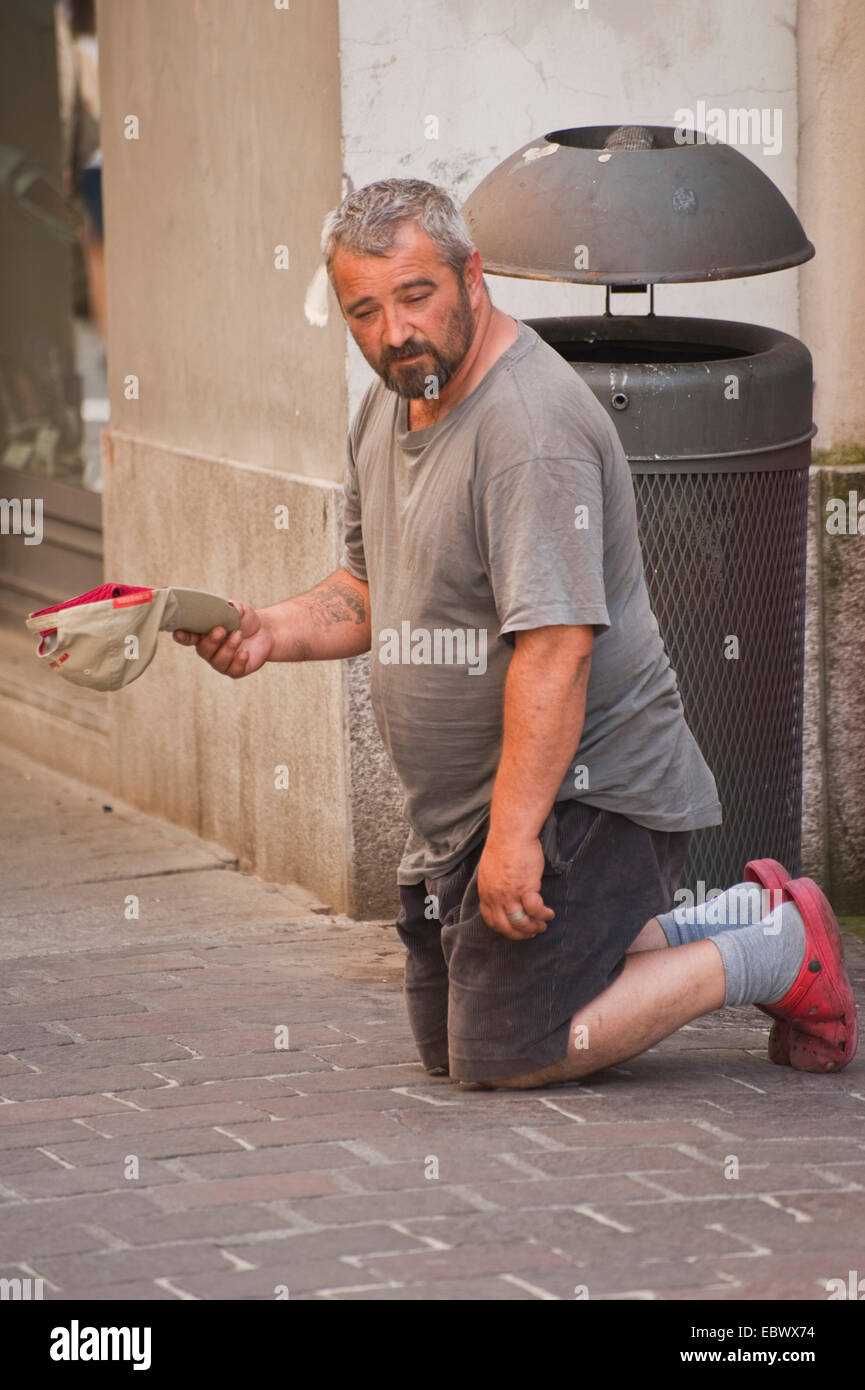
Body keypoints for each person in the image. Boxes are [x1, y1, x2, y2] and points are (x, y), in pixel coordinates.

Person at [173, 178, 858, 1088]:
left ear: (472, 276)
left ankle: (778, 951)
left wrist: (513, 839)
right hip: (470, 816)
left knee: (515, 1051)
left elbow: (557, 647)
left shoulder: (528, 431)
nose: (393, 333)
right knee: (449, 1050)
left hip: (586, 795)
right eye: (364, 311)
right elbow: (367, 585)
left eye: (415, 297)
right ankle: (741, 915)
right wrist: (266, 631)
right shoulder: (391, 397)